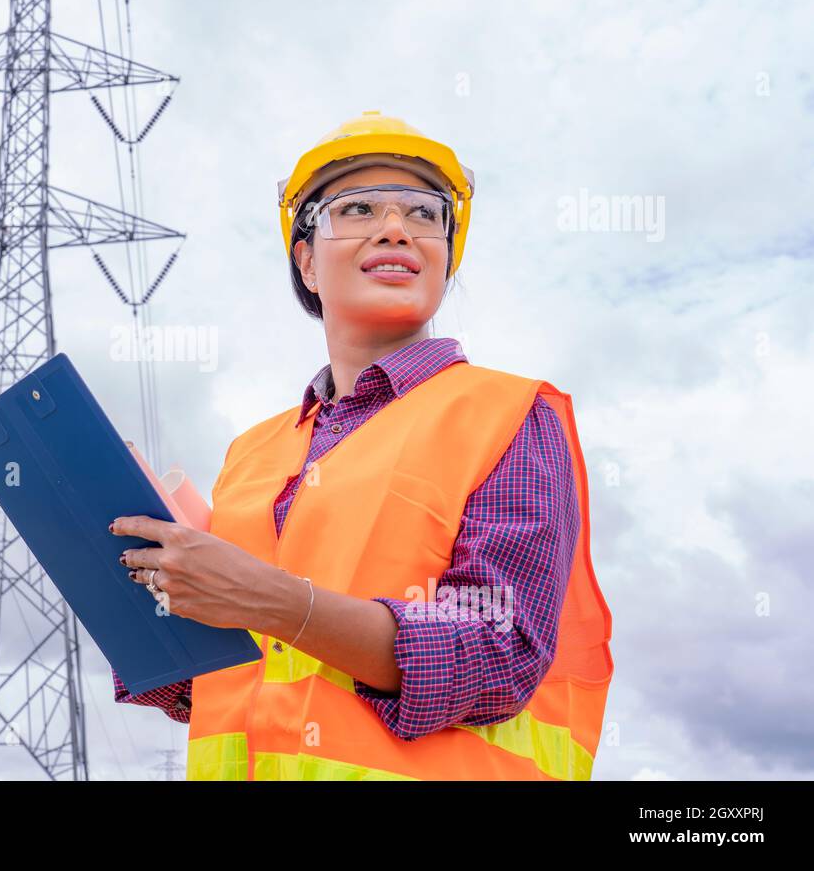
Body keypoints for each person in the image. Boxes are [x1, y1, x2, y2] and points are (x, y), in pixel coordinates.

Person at [108, 111, 614, 780]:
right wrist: (137, 593)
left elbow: (499, 654)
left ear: (444, 260)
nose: (396, 227)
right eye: (358, 208)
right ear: (307, 262)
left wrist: (274, 601)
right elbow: (229, 686)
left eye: (424, 213)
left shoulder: (508, 415)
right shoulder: (251, 455)